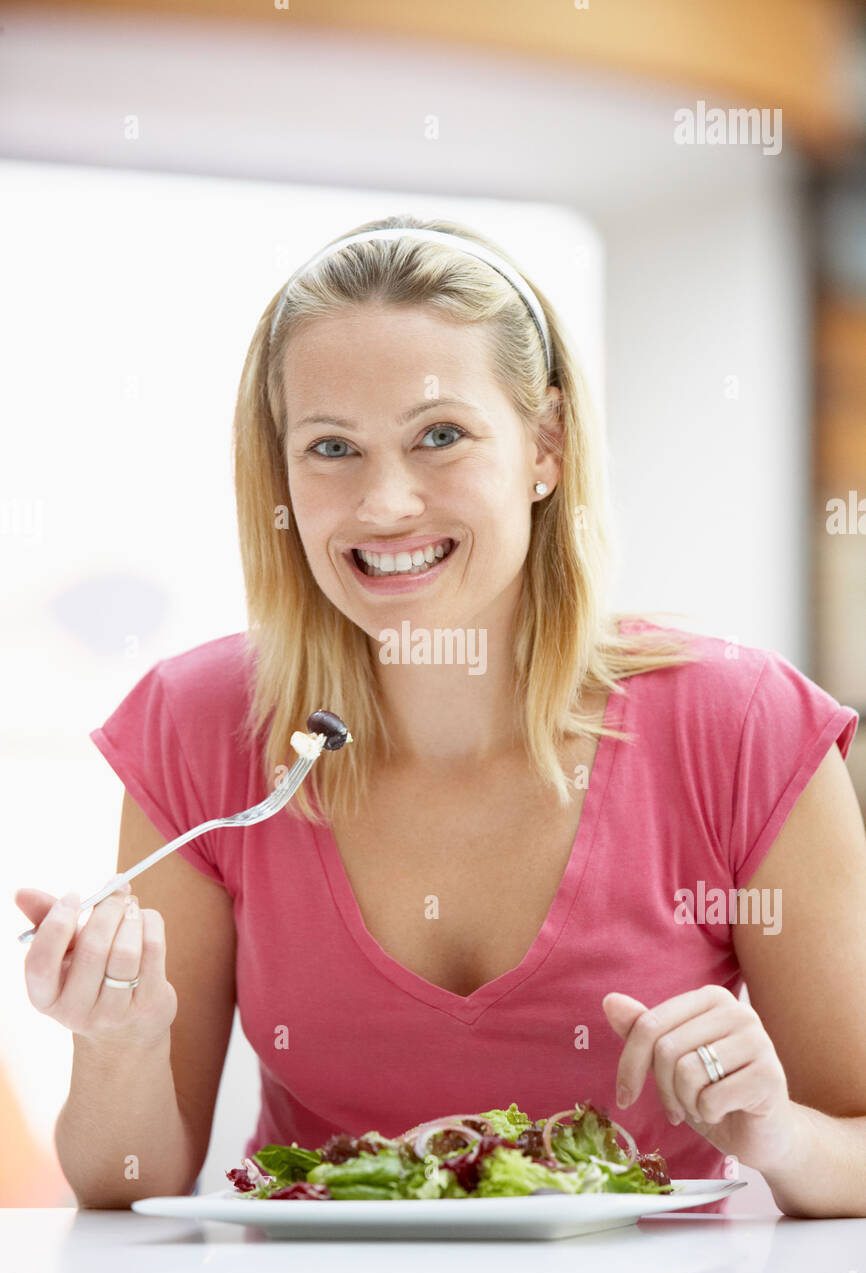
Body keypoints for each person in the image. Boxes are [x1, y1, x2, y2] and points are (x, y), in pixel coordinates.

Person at [15, 215, 866, 1217]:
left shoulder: (742, 725)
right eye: (332, 447)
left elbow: (850, 1143)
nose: (383, 504)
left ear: (542, 445)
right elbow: (128, 1183)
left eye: (439, 436)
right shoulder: (196, 728)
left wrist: (774, 1132)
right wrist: (118, 1041)